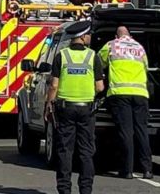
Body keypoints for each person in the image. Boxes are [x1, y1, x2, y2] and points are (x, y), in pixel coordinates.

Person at [46, 21, 105, 194]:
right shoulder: (93, 56)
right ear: (82, 36)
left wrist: (49, 104)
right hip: (86, 109)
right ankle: (86, 189)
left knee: (65, 150)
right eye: (88, 35)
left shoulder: (61, 56)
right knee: (86, 151)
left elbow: (54, 86)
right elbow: (100, 87)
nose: (90, 37)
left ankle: (64, 189)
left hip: (65, 109)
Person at [99, 25, 153, 180]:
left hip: (120, 93)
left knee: (126, 132)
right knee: (142, 131)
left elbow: (99, 63)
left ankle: (127, 170)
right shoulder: (139, 47)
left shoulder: (111, 45)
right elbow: (146, 67)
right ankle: (147, 169)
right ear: (129, 35)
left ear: (117, 36)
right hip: (140, 94)